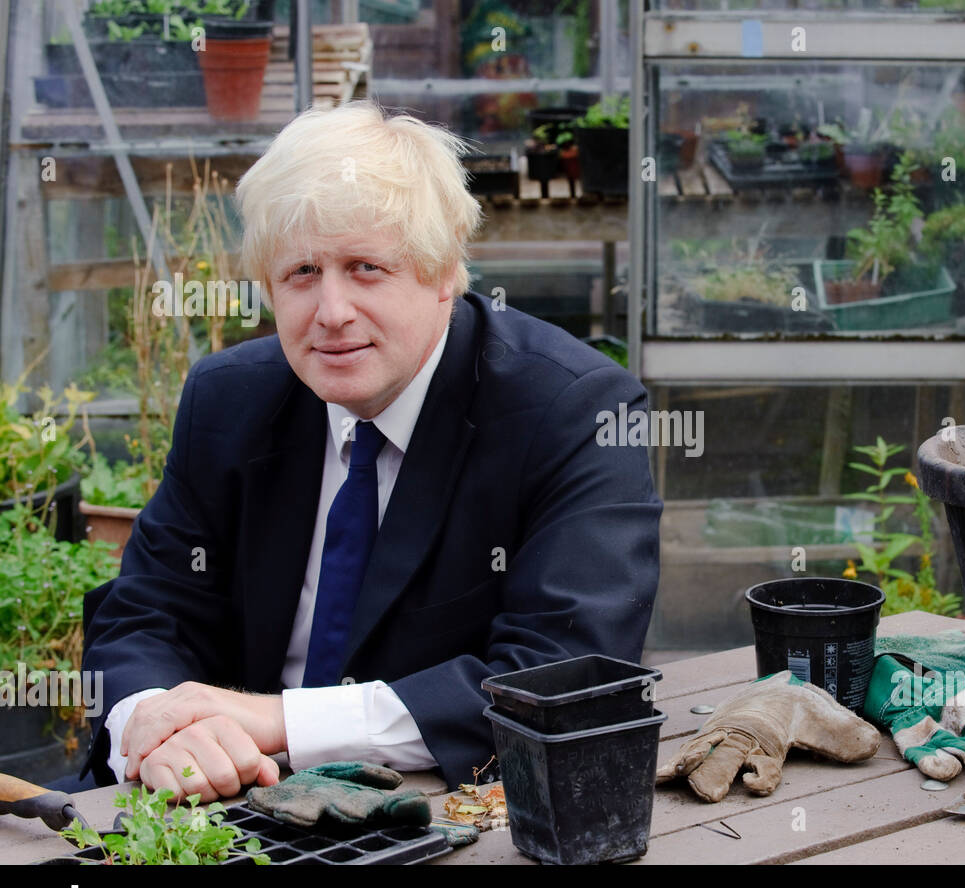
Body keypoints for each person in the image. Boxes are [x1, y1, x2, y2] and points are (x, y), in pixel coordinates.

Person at [80, 100, 662, 799]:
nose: (330, 312)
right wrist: (153, 720)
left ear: (443, 270)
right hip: (223, 800)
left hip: (442, 813)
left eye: (364, 268)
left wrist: (276, 720)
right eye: (300, 272)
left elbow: (561, 674)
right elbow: (144, 611)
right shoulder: (228, 399)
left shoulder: (574, 413)